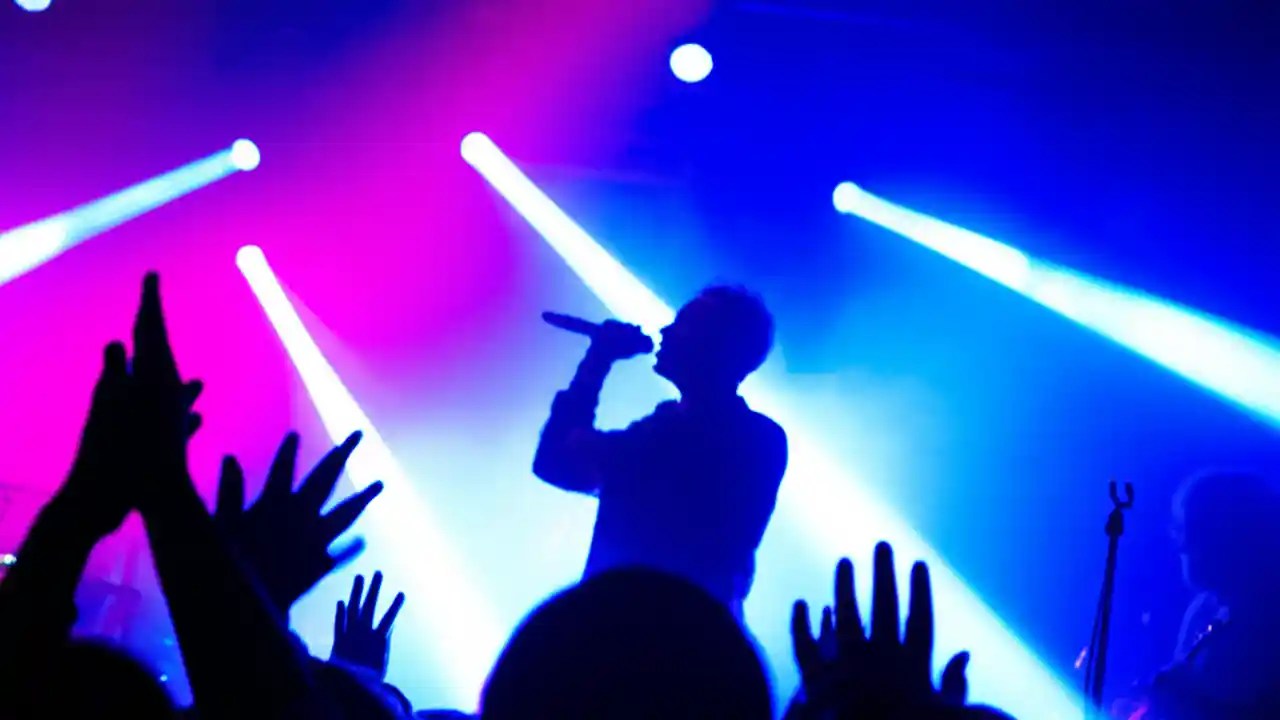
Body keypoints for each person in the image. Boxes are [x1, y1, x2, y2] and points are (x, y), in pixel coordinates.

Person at [533, 286, 788, 616]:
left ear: (720, 347)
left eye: (685, 325)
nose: (666, 331)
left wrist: (598, 358)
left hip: (644, 638)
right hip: (695, 637)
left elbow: (556, 460)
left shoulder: (679, 434)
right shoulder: (759, 437)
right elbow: (558, 463)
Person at [1140, 471, 1280, 719]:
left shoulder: (1268, 622)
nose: (1180, 545)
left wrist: (1180, 696)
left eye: (1188, 529)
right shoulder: (1205, 607)